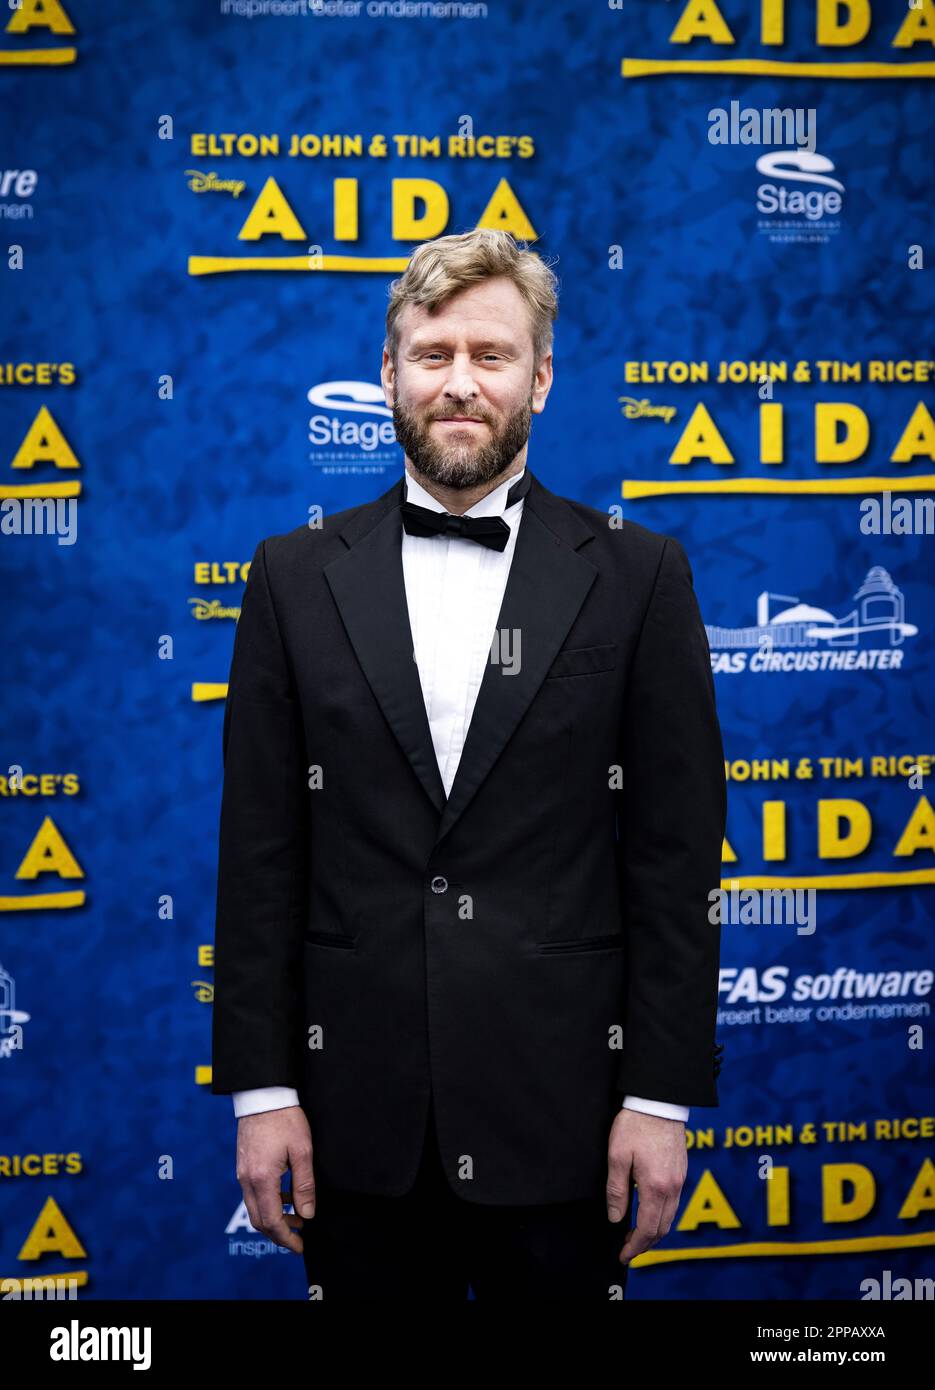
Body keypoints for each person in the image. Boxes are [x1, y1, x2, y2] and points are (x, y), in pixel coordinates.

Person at [211, 227, 727, 1300]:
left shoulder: (638, 578)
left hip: (566, 1120)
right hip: (353, 1119)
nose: (458, 383)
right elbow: (260, 855)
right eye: (432, 353)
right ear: (387, 372)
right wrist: (262, 1089)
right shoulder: (289, 577)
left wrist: (659, 1098)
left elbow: (674, 866)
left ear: (539, 377)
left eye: (490, 355)